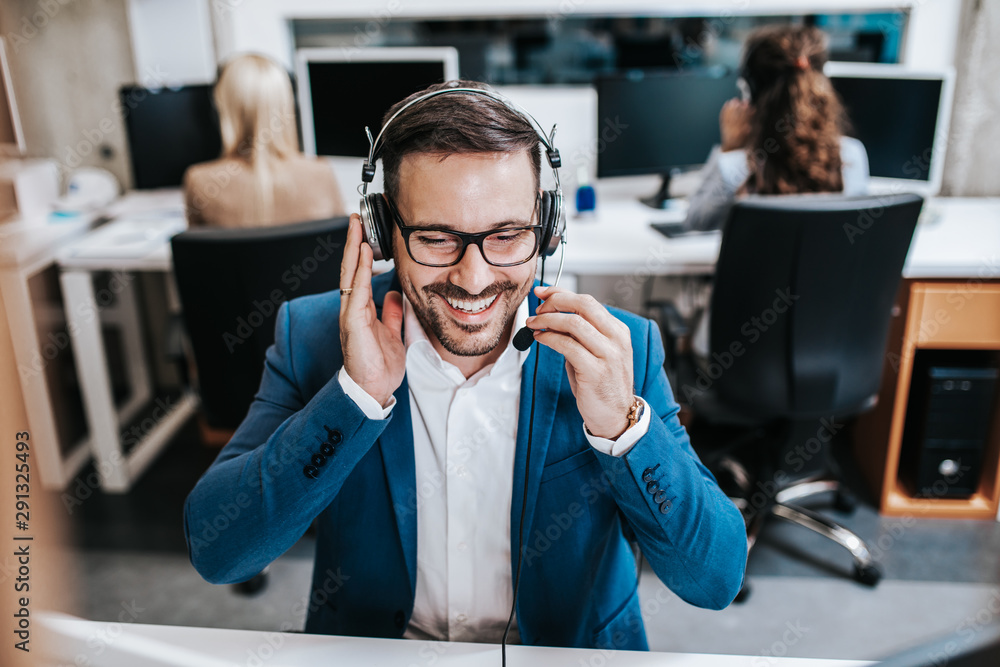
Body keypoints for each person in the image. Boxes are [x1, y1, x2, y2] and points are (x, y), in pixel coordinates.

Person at [183, 80, 747, 650]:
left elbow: (715, 579)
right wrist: (354, 397)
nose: (474, 278)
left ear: (546, 227)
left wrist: (623, 431)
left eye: (506, 235)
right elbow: (219, 551)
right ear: (382, 234)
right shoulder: (313, 336)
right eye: (435, 238)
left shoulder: (621, 349)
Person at [682, 24, 870, 233]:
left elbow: (695, 221)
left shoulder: (737, 165)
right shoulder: (851, 156)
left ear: (751, 92)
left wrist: (728, 148)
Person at [183, 53, 345, 228]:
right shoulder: (321, 173)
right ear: (286, 105)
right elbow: (344, 244)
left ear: (223, 111)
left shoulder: (200, 181)